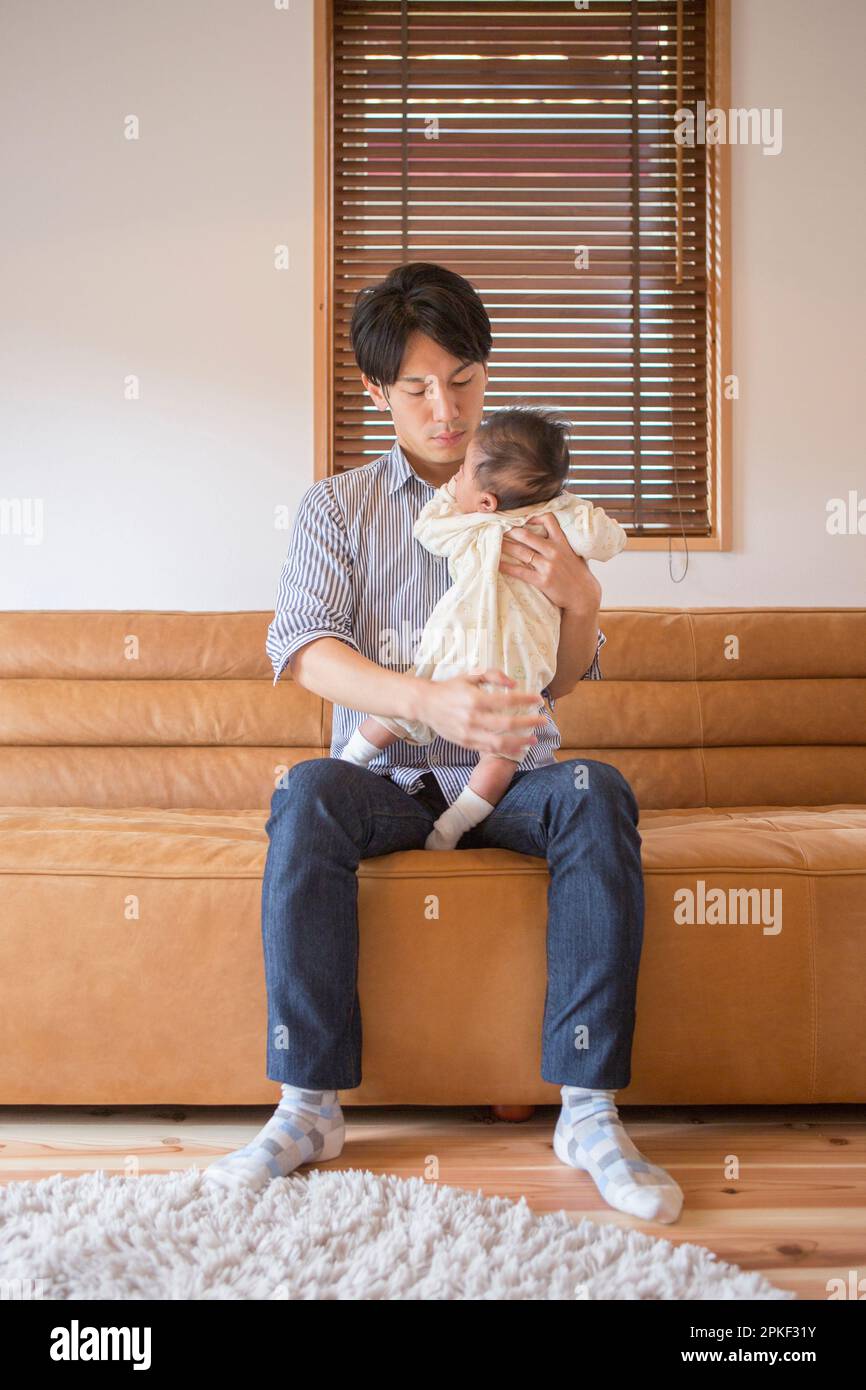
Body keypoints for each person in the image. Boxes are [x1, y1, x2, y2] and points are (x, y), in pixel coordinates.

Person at [202, 262, 683, 1224]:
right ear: (376, 391)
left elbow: (557, 677)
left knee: (597, 789)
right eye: (418, 388)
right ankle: (307, 1106)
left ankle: (587, 1109)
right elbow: (305, 653)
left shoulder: (536, 500)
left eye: (463, 381)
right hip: (381, 776)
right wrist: (426, 698)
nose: (446, 409)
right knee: (305, 791)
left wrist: (583, 599)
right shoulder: (336, 510)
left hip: (513, 776)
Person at [339, 405, 627, 850]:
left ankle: (456, 822)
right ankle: (349, 766)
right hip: (471, 663)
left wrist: (585, 598)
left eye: (465, 474)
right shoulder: (512, 523)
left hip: (503, 669)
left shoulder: (508, 526)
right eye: (419, 387)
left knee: (553, 770)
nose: (457, 476)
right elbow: (605, 538)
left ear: (487, 501)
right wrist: (571, 507)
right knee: (406, 722)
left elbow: (430, 528)